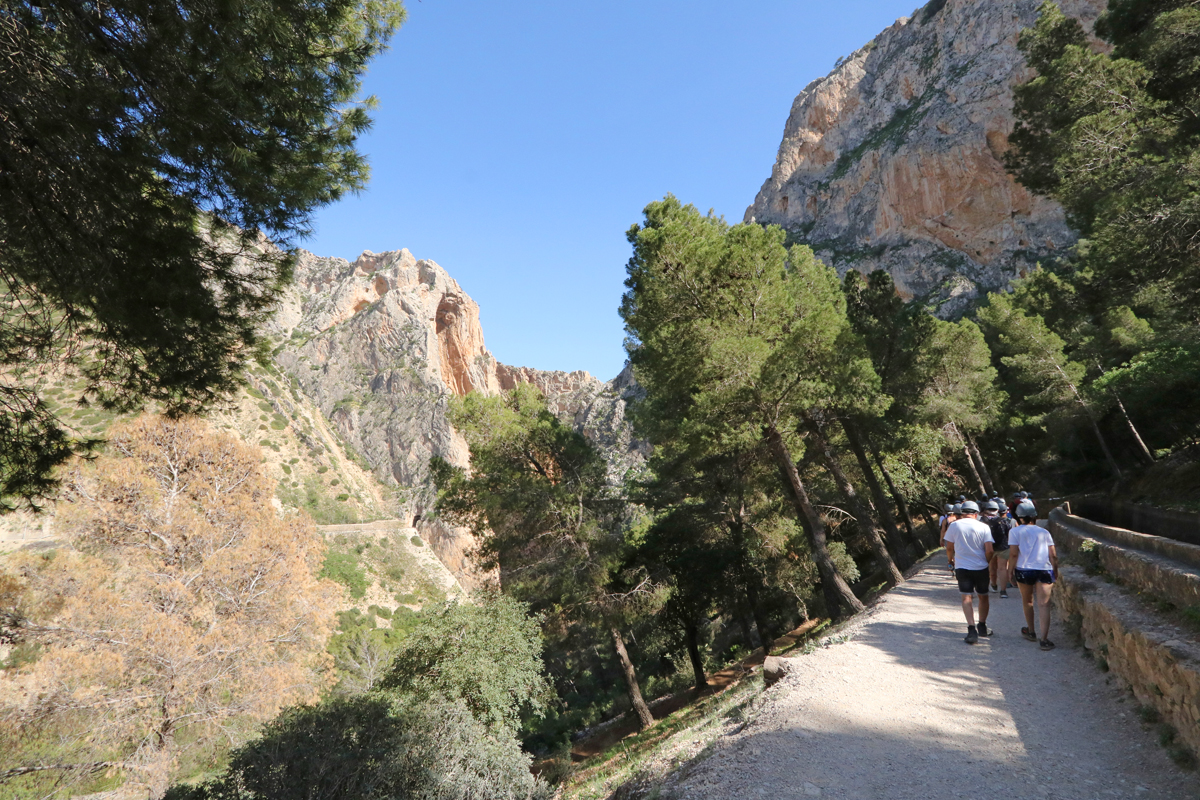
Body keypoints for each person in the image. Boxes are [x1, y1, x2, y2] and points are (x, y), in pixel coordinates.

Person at [1007, 501, 1059, 651]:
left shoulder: (1015, 532)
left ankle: (1031, 631)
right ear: (1035, 516)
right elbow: (1053, 555)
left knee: (1027, 601)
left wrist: (1010, 571)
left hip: (1024, 570)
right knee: (1044, 604)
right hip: (1044, 569)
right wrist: (1055, 570)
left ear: (1019, 517)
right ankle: (1044, 639)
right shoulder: (1044, 532)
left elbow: (1014, 554)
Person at [944, 500, 994, 644]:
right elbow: (989, 550)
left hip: (962, 567)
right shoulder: (984, 527)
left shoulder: (954, 525)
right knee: (983, 596)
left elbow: (949, 547)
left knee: (966, 597)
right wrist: (986, 561)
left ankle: (971, 630)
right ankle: (982, 626)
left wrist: (950, 560)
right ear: (976, 513)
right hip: (981, 567)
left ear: (962, 513)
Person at [982, 500, 1013, 598]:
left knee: (992, 568)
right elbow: (1010, 533)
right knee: (1002, 568)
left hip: (989, 546)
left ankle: (994, 585)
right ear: (997, 510)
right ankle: (1003, 591)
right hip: (1003, 547)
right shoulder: (1004, 521)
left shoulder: (983, 521)